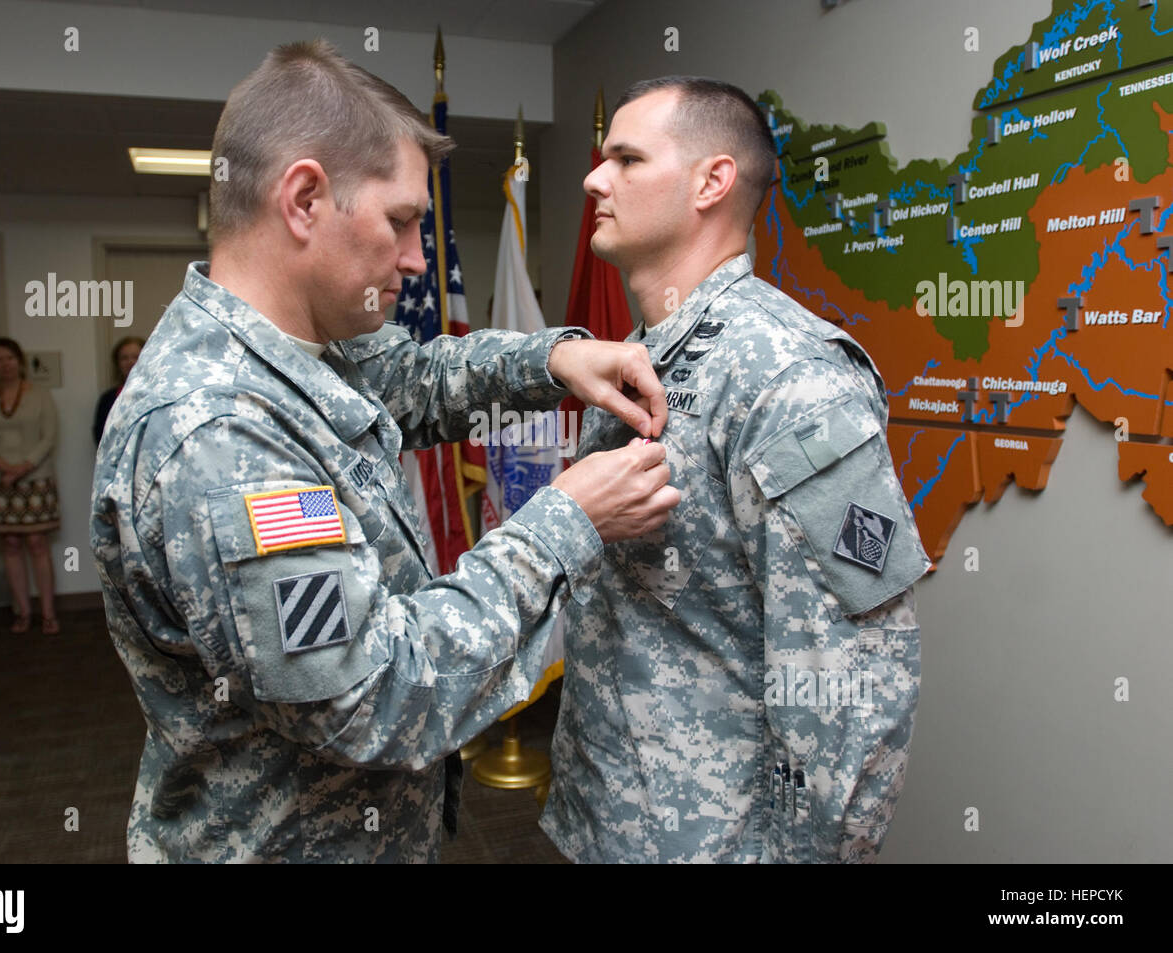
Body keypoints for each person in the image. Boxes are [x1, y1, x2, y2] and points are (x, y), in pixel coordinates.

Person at [90, 39, 677, 864]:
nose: (413, 258)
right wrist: (567, 521)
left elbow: (411, 376)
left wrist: (553, 360)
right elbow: (375, 695)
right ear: (304, 200)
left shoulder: (292, 353)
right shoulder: (222, 436)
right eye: (402, 220)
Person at [539, 76, 932, 863]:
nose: (592, 178)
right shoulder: (635, 358)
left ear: (711, 182)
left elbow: (855, 686)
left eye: (625, 157)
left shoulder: (787, 375)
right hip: (606, 815)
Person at [0, 337, 61, 635]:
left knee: (37, 543)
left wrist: (22, 467)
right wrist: (3, 467)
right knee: (9, 544)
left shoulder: (40, 395)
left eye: (9, 358)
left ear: (20, 361)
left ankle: (48, 613)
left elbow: (48, 436)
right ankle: (22, 612)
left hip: (35, 478)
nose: (4, 364)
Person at [94, 336, 145, 444]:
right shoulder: (108, 399)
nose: (130, 362)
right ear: (118, 363)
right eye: (124, 358)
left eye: (136, 357)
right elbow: (100, 436)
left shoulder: (159, 394)